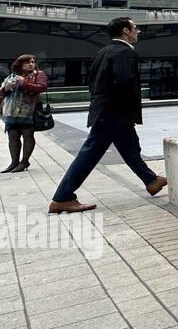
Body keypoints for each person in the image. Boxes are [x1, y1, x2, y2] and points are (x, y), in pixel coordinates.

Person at [49, 17, 167, 215]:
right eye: (135, 28)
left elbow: (92, 81)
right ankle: (62, 198)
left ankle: (151, 181)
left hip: (109, 111)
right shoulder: (124, 52)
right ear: (125, 31)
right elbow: (124, 82)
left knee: (130, 149)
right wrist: (127, 110)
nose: (137, 32)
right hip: (115, 113)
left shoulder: (104, 51)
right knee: (89, 154)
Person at [2, 54, 50, 173]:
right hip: (10, 112)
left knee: (27, 135)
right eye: (27, 62)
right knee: (12, 136)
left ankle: (24, 161)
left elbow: (42, 87)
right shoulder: (11, 76)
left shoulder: (38, 74)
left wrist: (24, 83)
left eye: (33, 62)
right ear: (20, 64)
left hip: (28, 111)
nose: (31, 64)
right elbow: (2, 92)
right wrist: (6, 88)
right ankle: (14, 162)